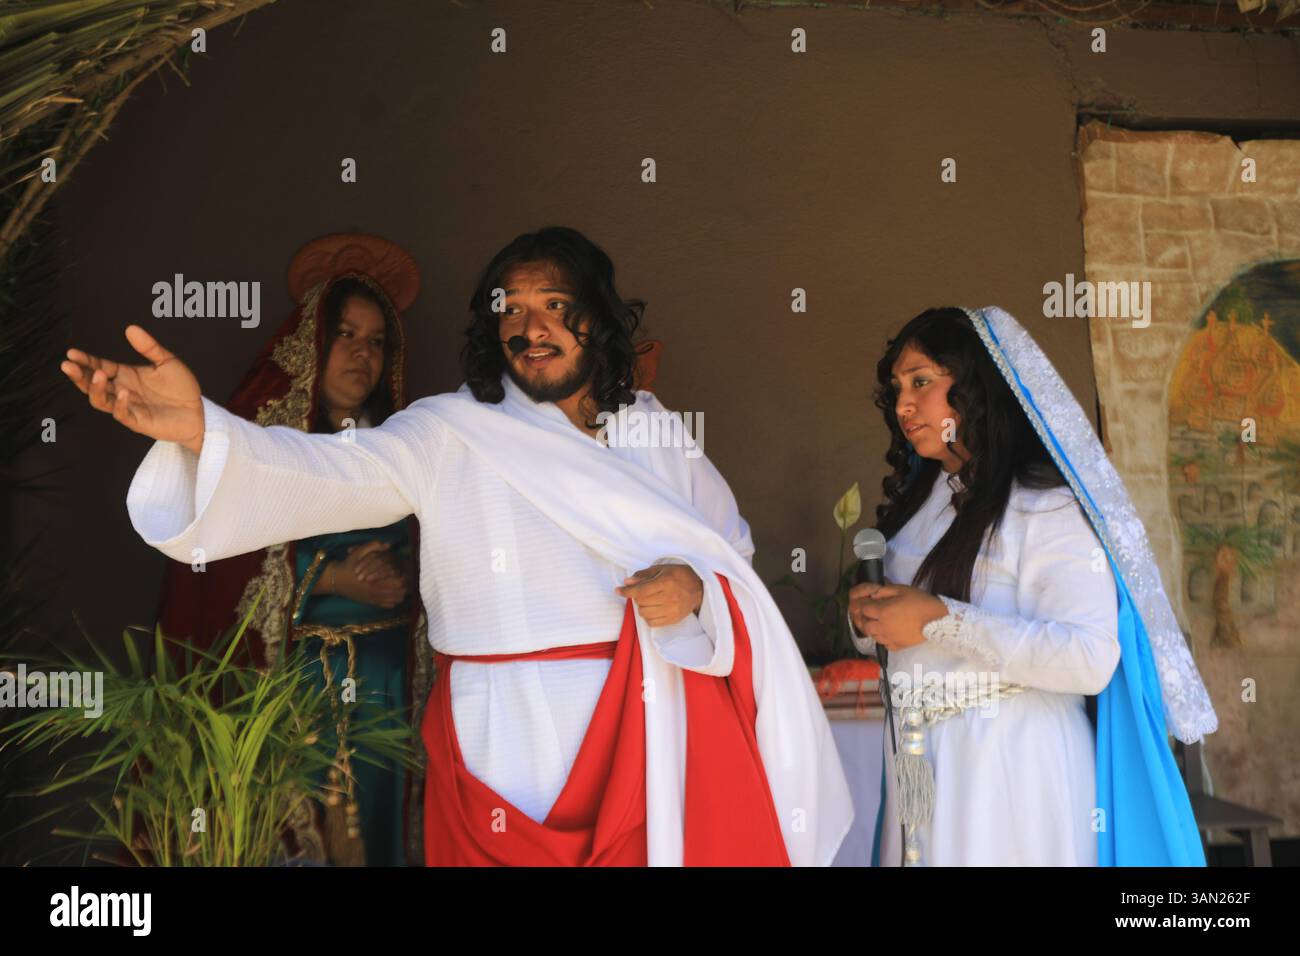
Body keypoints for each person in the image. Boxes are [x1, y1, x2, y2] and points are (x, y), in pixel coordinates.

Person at [62, 225, 853, 866]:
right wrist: (202, 426)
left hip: (640, 729)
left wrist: (697, 590)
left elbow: (732, 562)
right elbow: (326, 471)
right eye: (512, 307)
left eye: (556, 305)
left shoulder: (653, 431)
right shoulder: (450, 430)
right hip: (492, 735)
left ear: (598, 320)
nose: (531, 325)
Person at [848, 305, 1217, 866]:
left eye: (922, 382)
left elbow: (1089, 658)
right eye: (898, 387)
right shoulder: (918, 507)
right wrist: (869, 620)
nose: (903, 404)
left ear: (975, 385)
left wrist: (935, 619)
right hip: (920, 764)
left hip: (1011, 763)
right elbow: (903, 637)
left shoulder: (1044, 504)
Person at [148, 233, 431, 866]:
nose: (363, 356)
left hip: (388, 689)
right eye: (346, 337)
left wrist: (405, 575)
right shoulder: (260, 441)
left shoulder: (406, 445)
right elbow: (215, 565)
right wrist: (331, 577)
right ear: (311, 342)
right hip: (298, 690)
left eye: (376, 341)